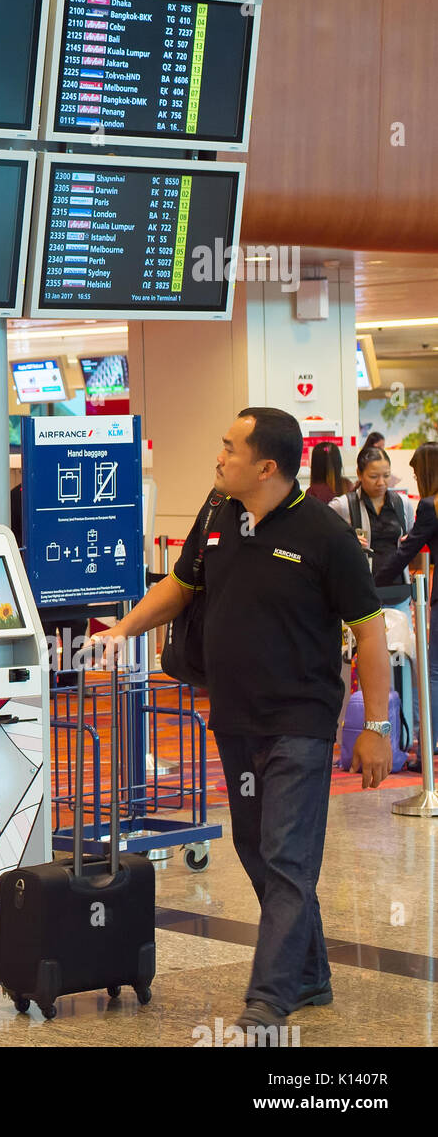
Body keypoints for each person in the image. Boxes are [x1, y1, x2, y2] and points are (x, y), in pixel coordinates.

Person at [90, 407, 390, 1039]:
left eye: (229, 448)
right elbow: (181, 583)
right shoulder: (217, 515)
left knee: (286, 858)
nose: (218, 457)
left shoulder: (324, 536)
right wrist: (124, 629)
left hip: (300, 723)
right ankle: (308, 973)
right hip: (234, 717)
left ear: (267, 466)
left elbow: (369, 631)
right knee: (257, 852)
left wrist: (377, 727)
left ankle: (268, 1000)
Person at [376, 443, 438, 750]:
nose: (413, 478)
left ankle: (431, 744)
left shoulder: (430, 505)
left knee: (435, 672)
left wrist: (370, 584)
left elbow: (405, 552)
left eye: (415, 472)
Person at [330, 446, 415, 590]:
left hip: (399, 589)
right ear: (359, 474)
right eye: (374, 477)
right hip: (360, 590)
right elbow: (323, 541)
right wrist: (347, 542)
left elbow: (411, 541)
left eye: (386, 475)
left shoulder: (403, 503)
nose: (381, 482)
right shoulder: (342, 505)